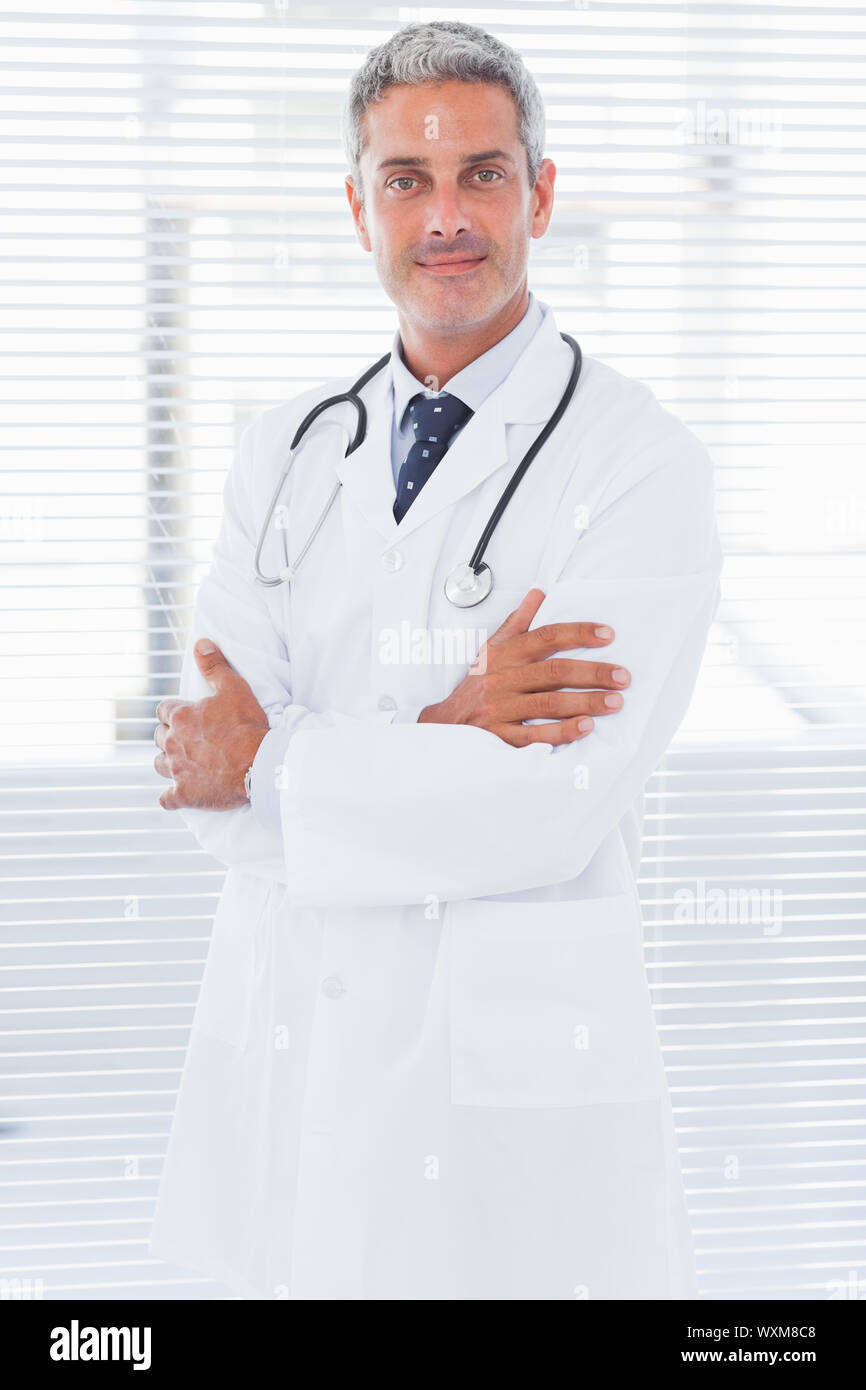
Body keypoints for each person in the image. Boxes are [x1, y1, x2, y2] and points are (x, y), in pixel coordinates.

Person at [149, 19, 722, 1300]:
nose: (445, 214)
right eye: (406, 179)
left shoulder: (636, 463)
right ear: (358, 206)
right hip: (302, 1073)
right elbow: (205, 773)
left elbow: (546, 802)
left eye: (481, 172)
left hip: (508, 1122)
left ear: (541, 192)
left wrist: (289, 757)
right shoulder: (286, 447)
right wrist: (444, 726)